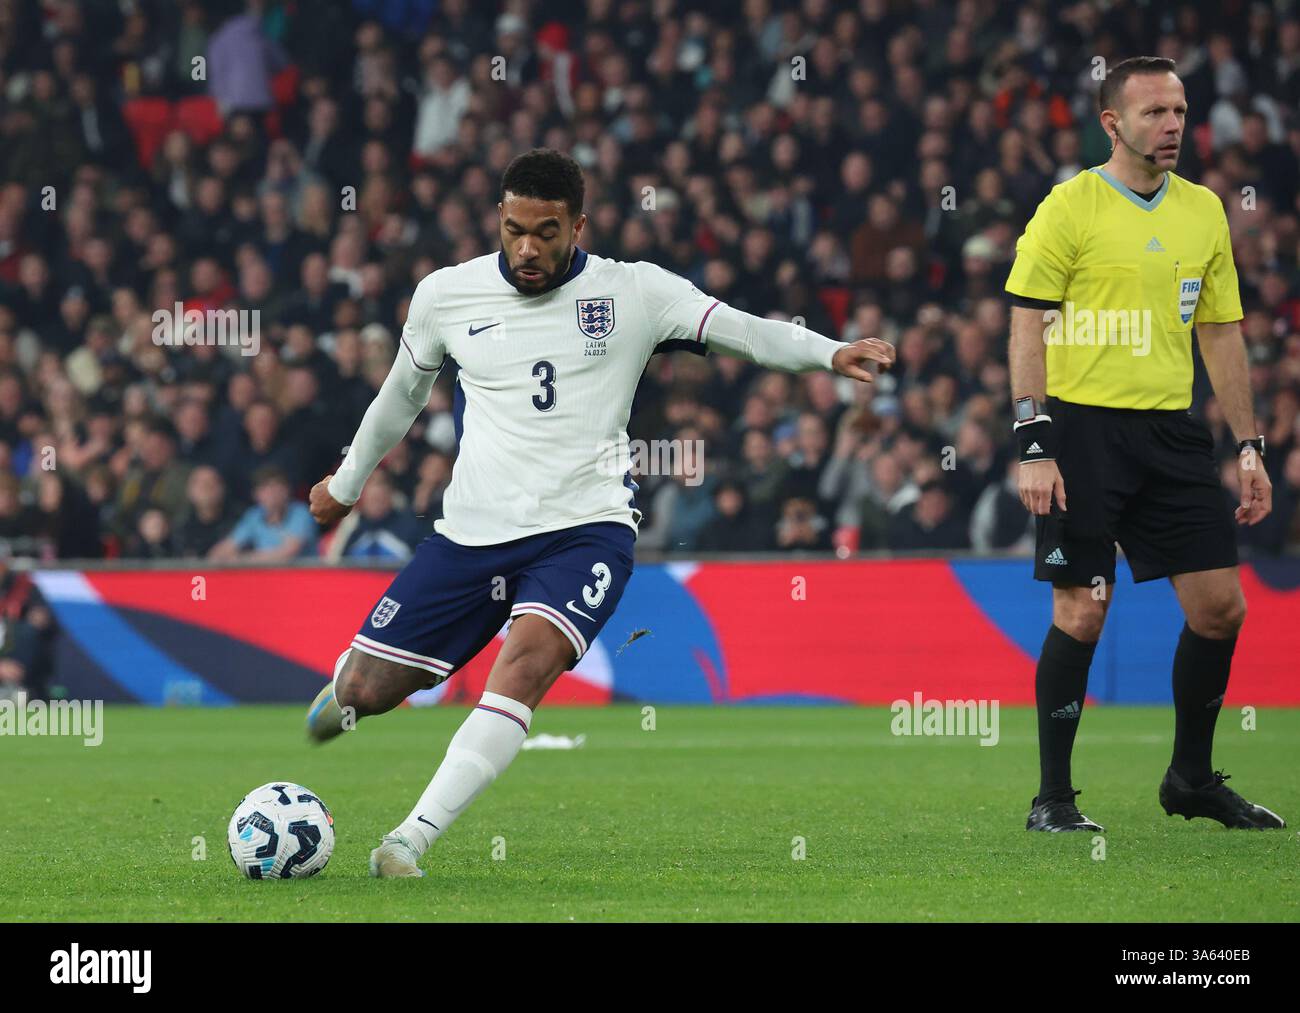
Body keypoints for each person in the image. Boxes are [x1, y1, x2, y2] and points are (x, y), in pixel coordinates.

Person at [304, 148, 895, 876]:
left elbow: (740, 328)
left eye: (547, 231)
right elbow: (400, 395)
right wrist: (348, 480)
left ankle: (409, 839)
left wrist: (830, 352)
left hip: (586, 531)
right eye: (516, 228)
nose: (528, 247)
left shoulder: (635, 292)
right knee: (369, 690)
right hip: (472, 536)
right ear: (498, 217)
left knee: (524, 664)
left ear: (577, 225)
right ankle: (346, 687)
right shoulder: (445, 296)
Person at [1005, 57, 1283, 833]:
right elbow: (1027, 321)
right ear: (1112, 123)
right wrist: (1034, 441)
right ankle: (1052, 799)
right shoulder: (1070, 206)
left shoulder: (1203, 212)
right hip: (1081, 429)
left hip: (1172, 431)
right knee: (1083, 611)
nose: (1172, 126)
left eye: (1181, 111)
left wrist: (1250, 443)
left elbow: (1221, 332)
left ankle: (1190, 778)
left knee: (1221, 609)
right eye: (1155, 112)